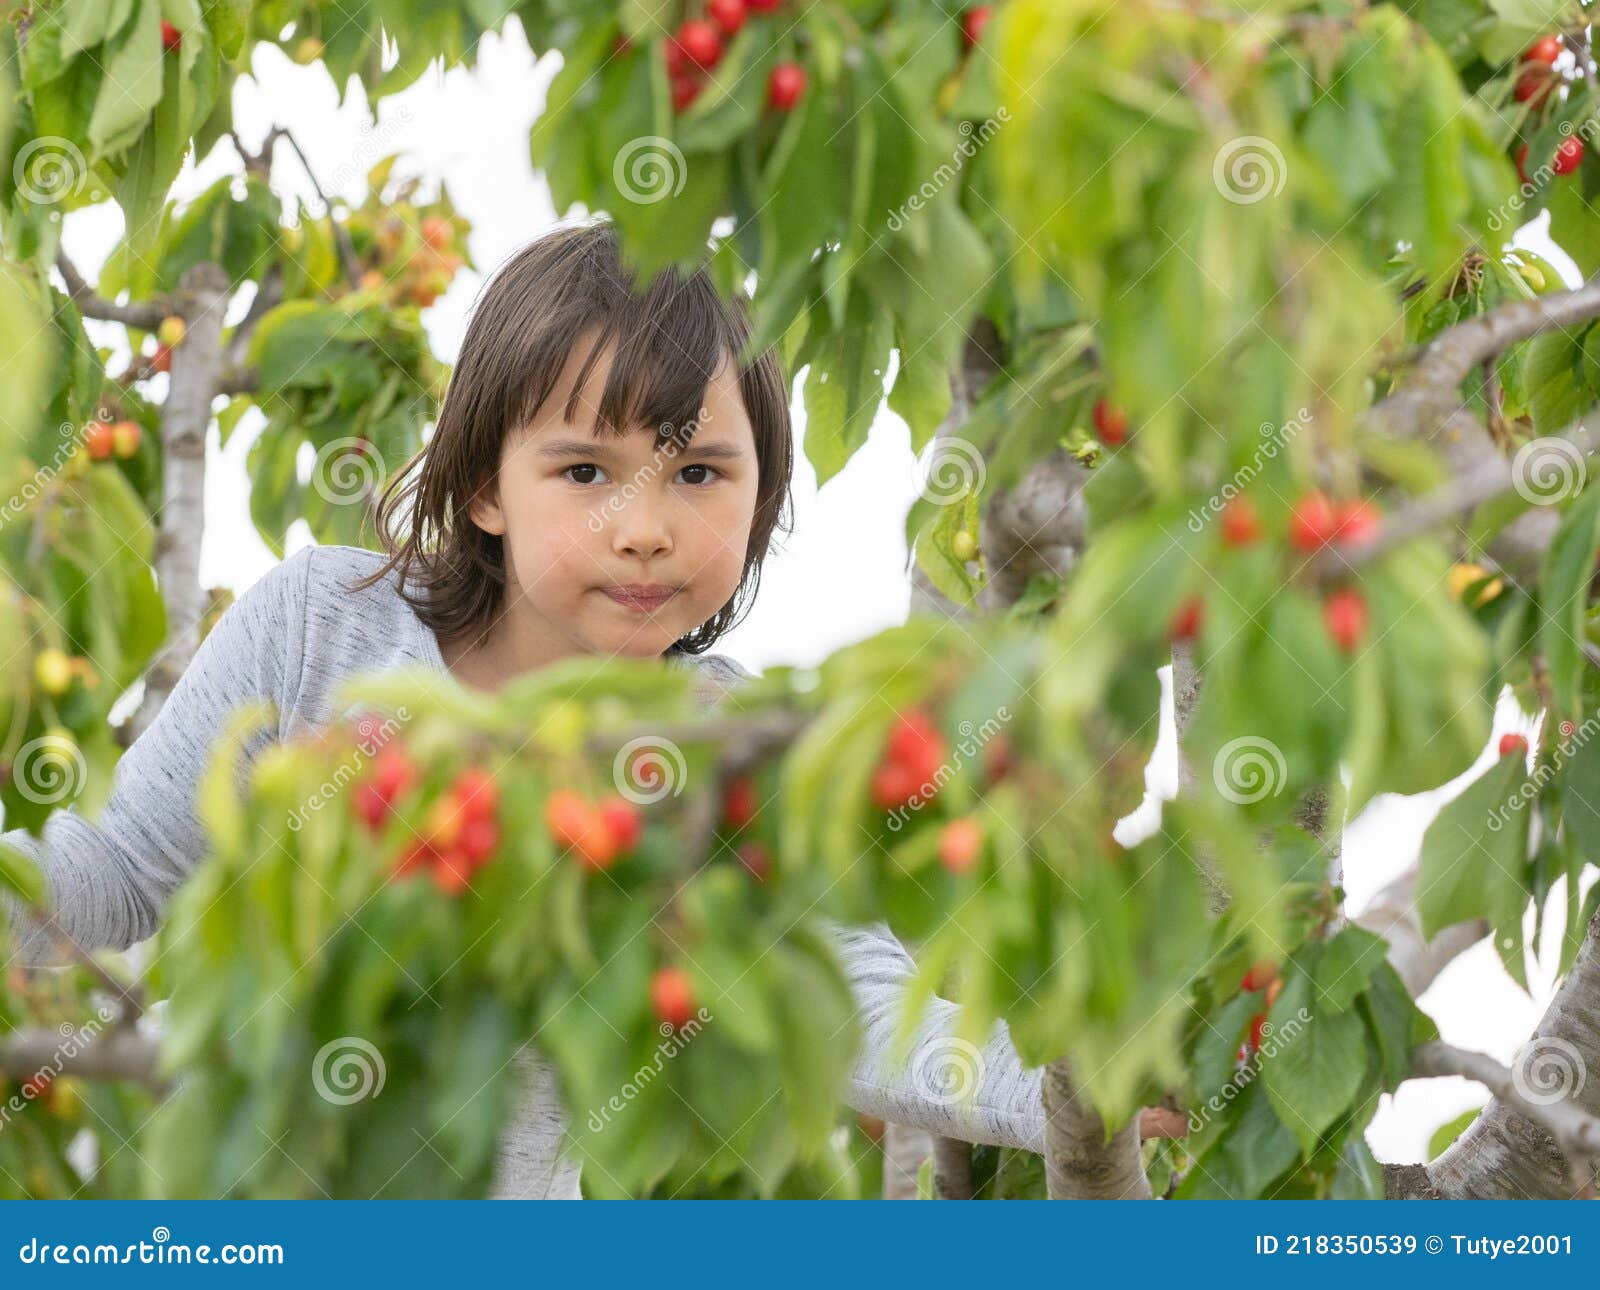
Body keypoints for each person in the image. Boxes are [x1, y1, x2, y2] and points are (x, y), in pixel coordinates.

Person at [1, 218, 1047, 1198]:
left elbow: (857, 996)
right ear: (485, 488)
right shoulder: (323, 626)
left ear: (762, 497)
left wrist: (1067, 1090)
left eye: (698, 472)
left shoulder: (730, 754)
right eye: (586, 470)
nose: (645, 529)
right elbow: (122, 872)